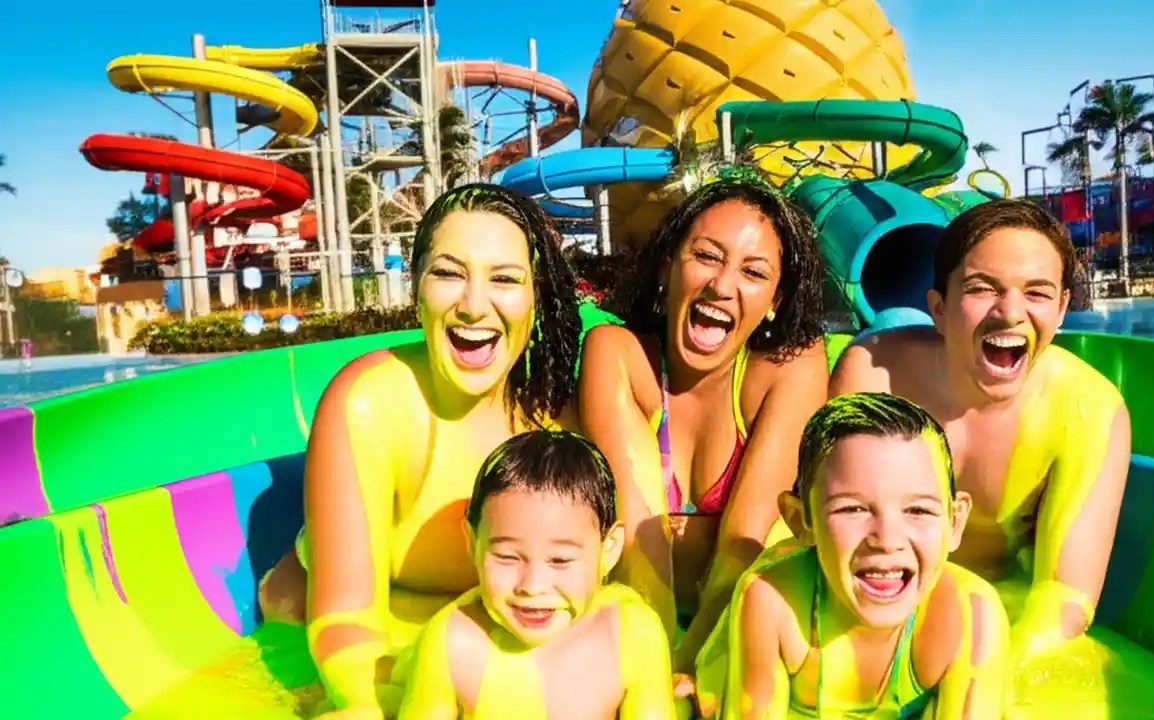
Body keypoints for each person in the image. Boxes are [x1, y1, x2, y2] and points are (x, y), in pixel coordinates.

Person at [256, 184, 584, 716]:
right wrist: (366, 704)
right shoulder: (371, 404)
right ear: (416, 287)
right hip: (326, 641)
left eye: (504, 279)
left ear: (537, 295)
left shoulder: (561, 414)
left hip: (462, 644)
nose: (474, 306)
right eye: (449, 273)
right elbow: (345, 619)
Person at [828, 199, 1131, 669]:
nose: (1010, 313)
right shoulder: (875, 374)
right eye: (982, 288)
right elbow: (826, 534)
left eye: (1037, 293)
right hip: (869, 602)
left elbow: (1063, 597)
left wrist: (989, 676)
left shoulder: (1088, 410)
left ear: (1063, 307)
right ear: (939, 307)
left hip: (1001, 615)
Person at [577, 176, 829, 678]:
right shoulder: (617, 353)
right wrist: (653, 670)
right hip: (639, 617)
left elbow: (745, 542)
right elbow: (634, 544)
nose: (723, 284)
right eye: (708, 256)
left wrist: (693, 664)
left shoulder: (789, 367)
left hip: (742, 620)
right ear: (668, 265)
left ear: (776, 299)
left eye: (753, 271)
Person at [693, 392, 1008, 719]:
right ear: (801, 521)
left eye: (917, 510)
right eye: (853, 508)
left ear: (954, 522)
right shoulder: (773, 601)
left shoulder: (968, 614)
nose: (887, 540)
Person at [397, 430, 675, 720]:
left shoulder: (630, 636)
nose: (532, 586)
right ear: (473, 543)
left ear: (609, 548)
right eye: (507, 557)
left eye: (560, 560)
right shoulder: (453, 644)